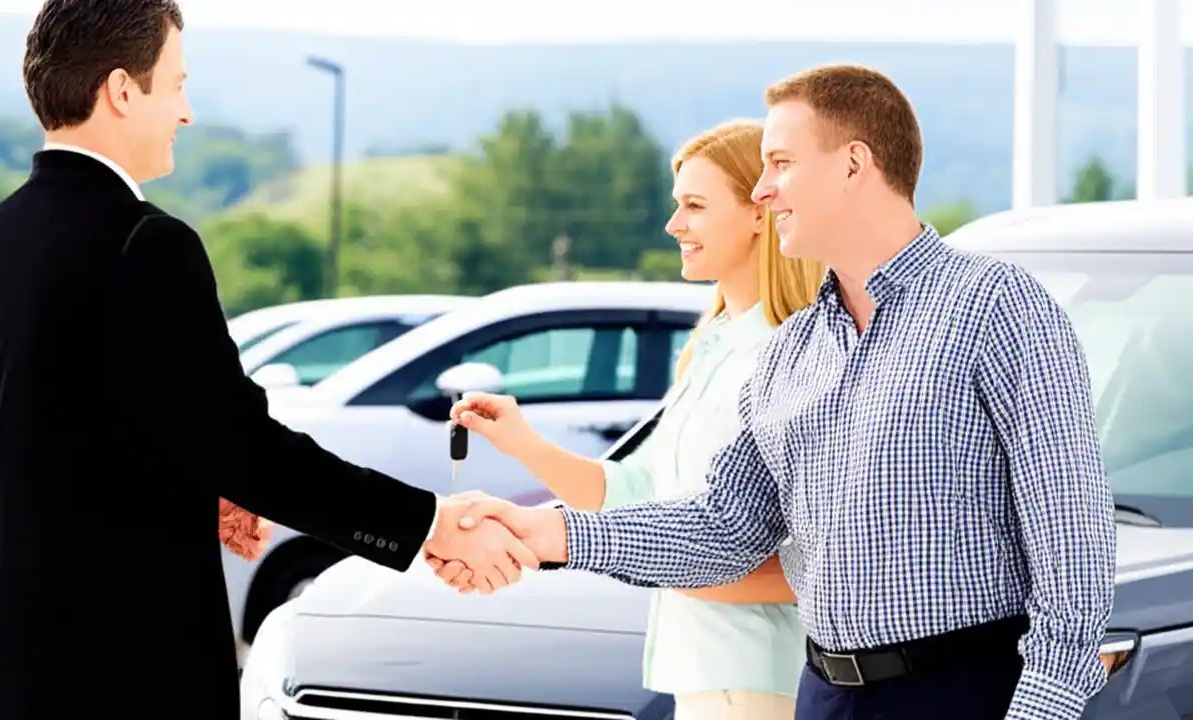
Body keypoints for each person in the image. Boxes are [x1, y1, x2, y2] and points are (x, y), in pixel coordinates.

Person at [447, 64, 1117, 720]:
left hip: (962, 694)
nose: (763, 190)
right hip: (823, 694)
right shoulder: (789, 352)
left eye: (781, 163)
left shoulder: (997, 307)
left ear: (854, 165)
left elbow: (1075, 560)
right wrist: (549, 532)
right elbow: (724, 528)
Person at [0, 2, 534, 717]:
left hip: (11, 661)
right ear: (122, 90)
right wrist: (429, 523)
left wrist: (210, 481)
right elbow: (244, 447)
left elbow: (71, 436)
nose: (186, 112)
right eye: (177, 85)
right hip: (128, 669)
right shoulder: (147, 244)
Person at [435, 120, 825, 719]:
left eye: (695, 205)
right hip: (706, 676)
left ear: (759, 211)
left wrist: (619, 553)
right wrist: (522, 444)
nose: (674, 225)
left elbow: (811, 561)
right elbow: (631, 493)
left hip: (758, 681)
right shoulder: (714, 344)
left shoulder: (786, 354)